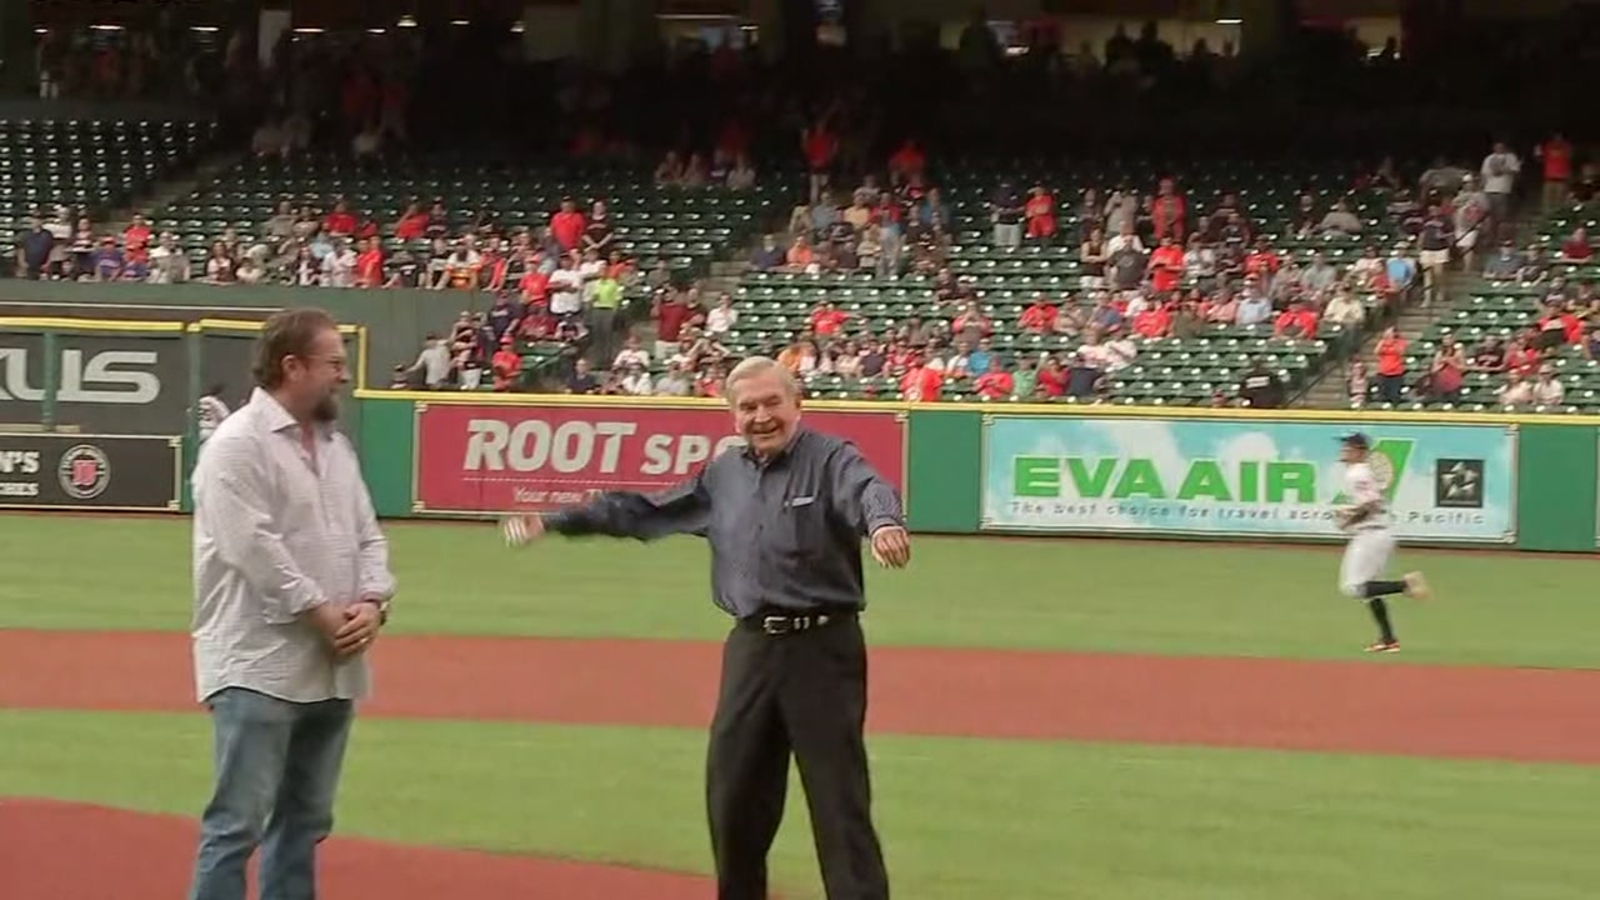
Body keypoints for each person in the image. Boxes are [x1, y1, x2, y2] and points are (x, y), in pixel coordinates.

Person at [502, 355, 910, 900]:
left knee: (839, 805)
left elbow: (867, 490)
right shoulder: (724, 475)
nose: (761, 416)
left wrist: (883, 521)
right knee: (734, 799)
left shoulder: (831, 458)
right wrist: (557, 520)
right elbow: (642, 512)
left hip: (823, 648)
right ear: (731, 416)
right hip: (752, 647)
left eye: (772, 403)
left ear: (797, 405)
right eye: (748, 407)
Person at [187, 307, 397, 900]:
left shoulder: (335, 447)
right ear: (292, 366)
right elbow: (253, 548)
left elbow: (368, 534)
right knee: (237, 825)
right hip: (258, 665)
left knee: (303, 824)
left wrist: (375, 600)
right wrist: (321, 612)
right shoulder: (235, 446)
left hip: (331, 671)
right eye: (333, 363)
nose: (343, 376)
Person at [1332, 432, 1430, 653]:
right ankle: (1389, 640)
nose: (1344, 450)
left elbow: (1371, 504)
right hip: (1378, 534)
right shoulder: (1359, 472)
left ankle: (1405, 585)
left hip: (1371, 535)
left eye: (1348, 447)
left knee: (1353, 587)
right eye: (1344, 446)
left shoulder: (1357, 473)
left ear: (1360, 451)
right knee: (1371, 591)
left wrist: (1348, 518)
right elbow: (1373, 502)